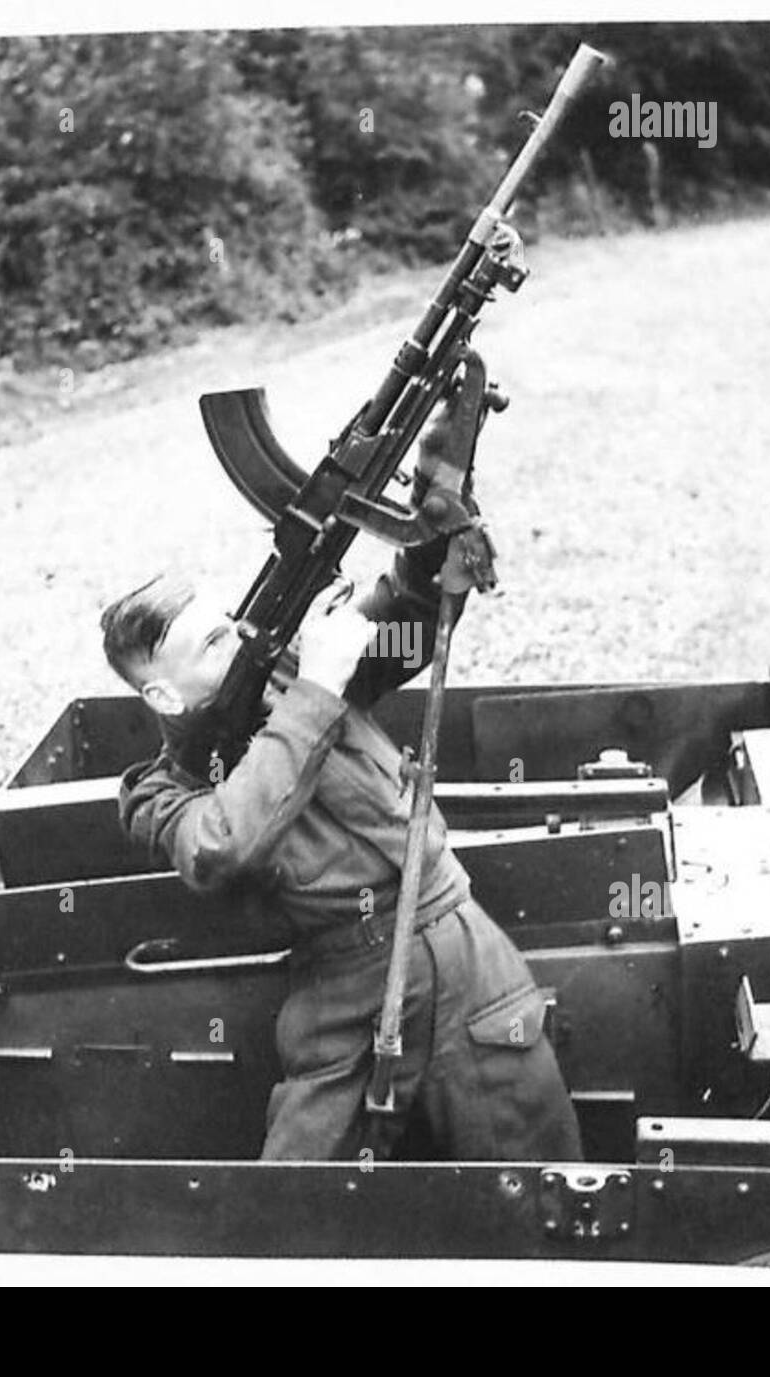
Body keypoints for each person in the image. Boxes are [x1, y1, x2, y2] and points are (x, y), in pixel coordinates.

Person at [100, 484, 581, 1164]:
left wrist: (432, 544)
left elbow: (407, 630)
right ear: (160, 693)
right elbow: (224, 844)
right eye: (213, 643)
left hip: (460, 951)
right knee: (295, 1212)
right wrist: (318, 687)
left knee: (537, 1180)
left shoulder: (289, 669)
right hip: (343, 990)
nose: (241, 645)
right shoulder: (158, 793)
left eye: (232, 624)